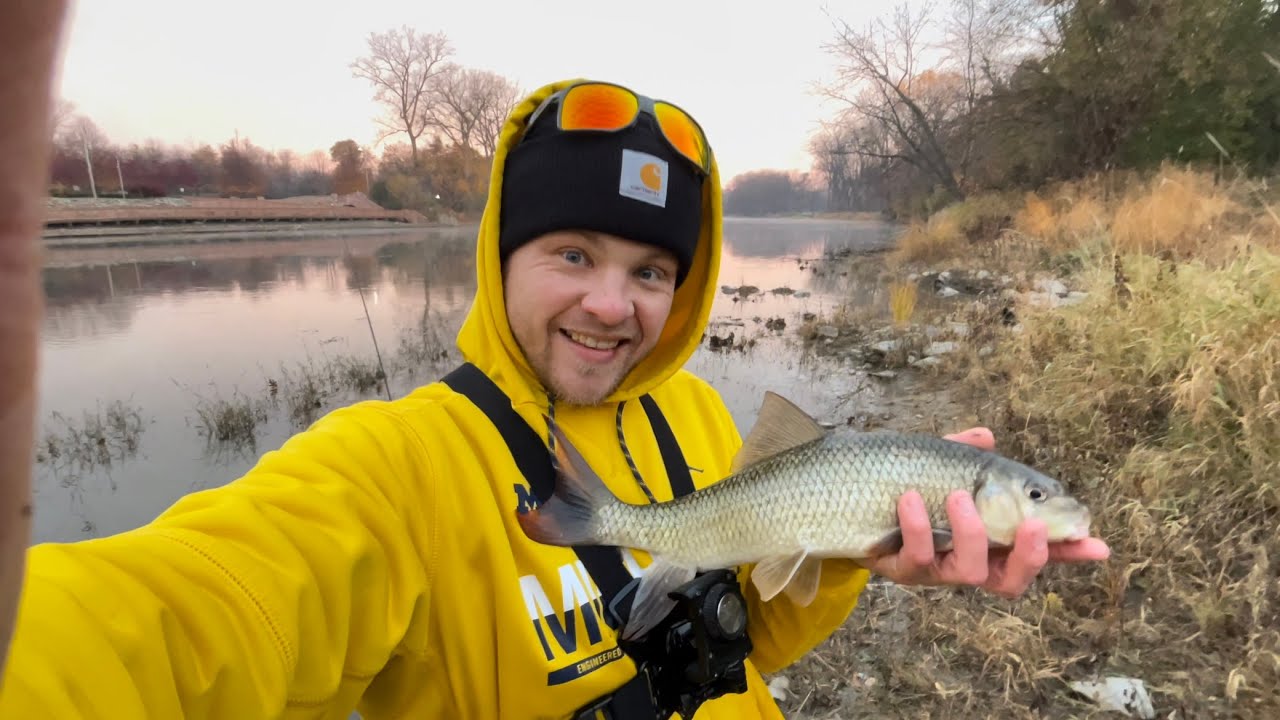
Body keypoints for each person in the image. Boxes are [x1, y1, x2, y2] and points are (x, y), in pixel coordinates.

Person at [0, 12, 1109, 718]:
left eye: (648, 270)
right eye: (570, 253)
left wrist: (845, 564)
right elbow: (169, 627)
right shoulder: (386, 473)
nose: (608, 303)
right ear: (498, 255)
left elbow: (740, 647)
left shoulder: (692, 421)